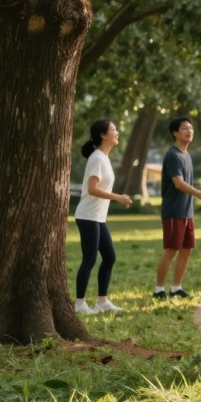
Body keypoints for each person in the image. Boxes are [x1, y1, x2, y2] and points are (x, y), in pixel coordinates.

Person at [74, 119, 133, 313]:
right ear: (103, 135)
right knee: (89, 259)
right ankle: (80, 304)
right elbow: (92, 189)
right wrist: (118, 197)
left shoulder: (103, 158)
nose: (117, 132)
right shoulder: (97, 158)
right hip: (87, 216)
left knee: (109, 257)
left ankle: (101, 301)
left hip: (98, 217)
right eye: (114, 129)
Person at [155, 116, 201, 299]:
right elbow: (179, 183)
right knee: (171, 250)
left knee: (187, 249)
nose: (189, 131)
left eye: (191, 128)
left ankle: (176, 288)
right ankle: (159, 290)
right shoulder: (173, 156)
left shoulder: (186, 155)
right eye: (184, 128)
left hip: (187, 212)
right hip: (173, 211)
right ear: (175, 132)